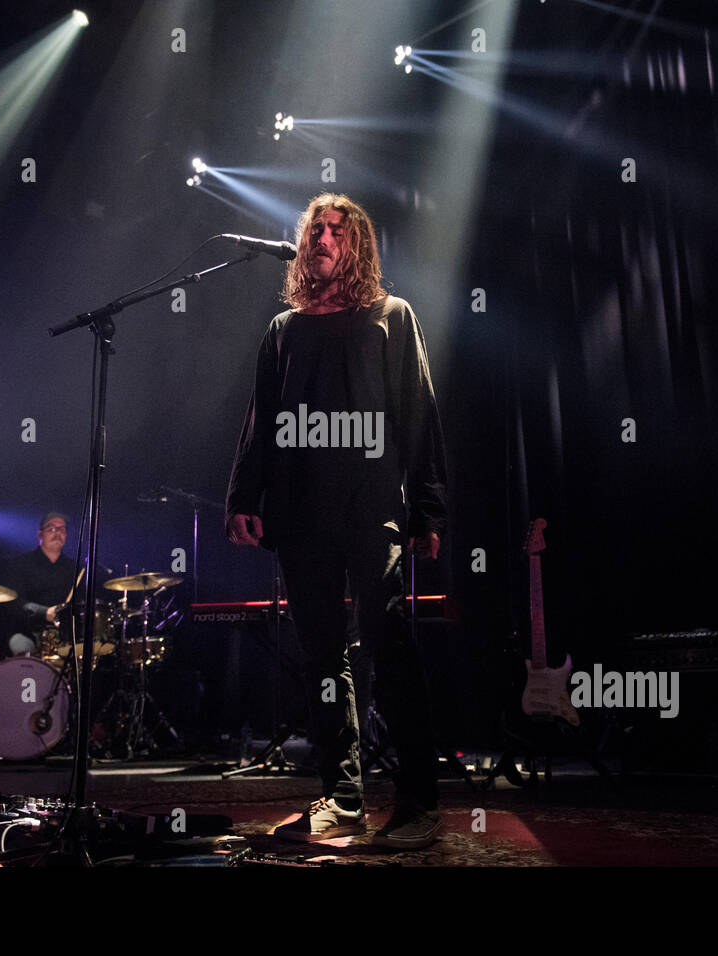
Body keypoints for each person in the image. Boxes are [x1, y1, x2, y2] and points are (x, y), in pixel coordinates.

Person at [225, 193, 448, 849]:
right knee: (323, 658)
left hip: (373, 511)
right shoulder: (283, 330)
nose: (322, 236)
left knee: (392, 648)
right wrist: (243, 498)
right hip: (300, 516)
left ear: (357, 245)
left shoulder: (391, 317)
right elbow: (260, 422)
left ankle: (419, 803)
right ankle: (341, 799)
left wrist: (428, 508)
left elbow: (420, 416)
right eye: (314, 228)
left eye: (336, 229)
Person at [6, 512, 78, 656]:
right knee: (23, 654)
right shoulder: (21, 564)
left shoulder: (74, 569)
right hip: (27, 632)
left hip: (63, 636)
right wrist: (45, 612)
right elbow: (15, 603)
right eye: (51, 529)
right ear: (40, 534)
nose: (57, 533)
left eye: (62, 529)